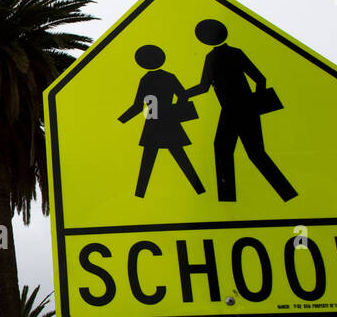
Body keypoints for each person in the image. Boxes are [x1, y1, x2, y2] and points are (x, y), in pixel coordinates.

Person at [186, 19, 296, 202]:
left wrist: (183, 95)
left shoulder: (213, 58)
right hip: (244, 108)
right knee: (253, 153)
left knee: (227, 150)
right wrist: (255, 104)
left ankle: (228, 199)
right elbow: (260, 79)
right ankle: (287, 193)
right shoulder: (232, 53)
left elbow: (203, 87)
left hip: (233, 110)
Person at [119, 45, 204, 198]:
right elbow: (183, 95)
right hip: (169, 122)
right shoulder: (169, 77)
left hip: (152, 123)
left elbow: (138, 106)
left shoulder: (146, 79)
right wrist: (175, 111)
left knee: (148, 161)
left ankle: (139, 194)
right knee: (180, 157)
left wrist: (121, 120)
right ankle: (200, 190)